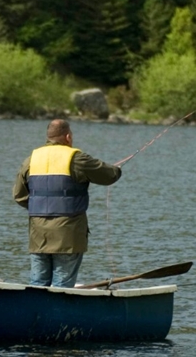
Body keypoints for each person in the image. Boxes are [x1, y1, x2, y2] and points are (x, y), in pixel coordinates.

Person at [13, 119, 122, 287]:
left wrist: (43, 205)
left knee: (37, 283)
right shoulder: (77, 158)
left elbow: (19, 195)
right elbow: (110, 175)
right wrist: (117, 169)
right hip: (68, 234)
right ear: (68, 137)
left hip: (38, 233)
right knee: (62, 284)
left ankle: (36, 305)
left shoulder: (31, 160)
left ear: (48, 137)